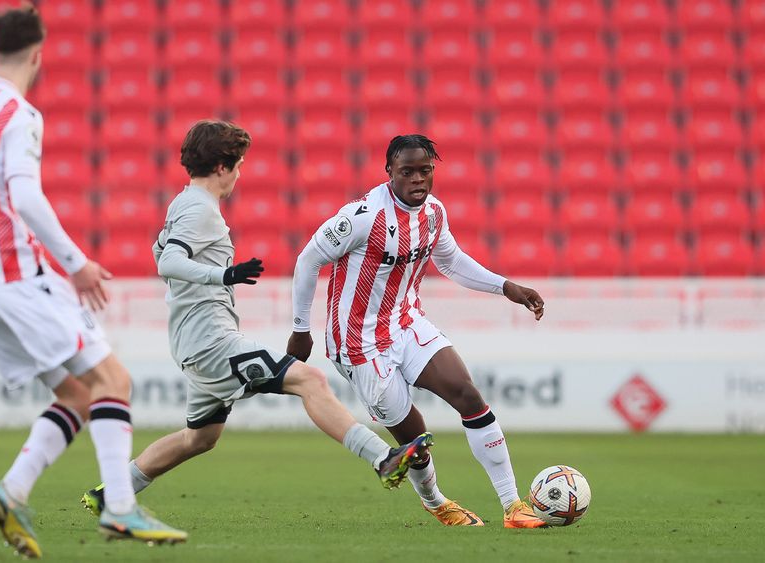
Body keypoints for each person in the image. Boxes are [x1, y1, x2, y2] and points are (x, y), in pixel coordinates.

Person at [0, 6, 186, 557]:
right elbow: (26, 196)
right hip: (17, 276)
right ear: (37, 52)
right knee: (114, 381)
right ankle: (121, 508)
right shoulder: (18, 113)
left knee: (77, 395)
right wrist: (76, 263)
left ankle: (11, 491)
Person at [80, 120, 431, 517]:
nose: (240, 174)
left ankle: (111, 492)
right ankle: (383, 458)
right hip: (213, 343)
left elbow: (161, 255)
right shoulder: (199, 210)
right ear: (221, 167)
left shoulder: (183, 202)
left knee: (199, 439)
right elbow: (174, 260)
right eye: (239, 165)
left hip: (195, 342)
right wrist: (222, 275)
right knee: (309, 379)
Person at [285, 134, 549, 529]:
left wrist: (506, 287)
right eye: (407, 172)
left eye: (425, 171)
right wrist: (301, 329)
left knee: (468, 393)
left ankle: (513, 506)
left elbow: (453, 261)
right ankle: (436, 501)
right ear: (389, 171)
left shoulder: (434, 214)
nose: (418, 180)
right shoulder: (361, 217)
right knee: (415, 440)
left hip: (406, 323)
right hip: (360, 344)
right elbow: (307, 261)